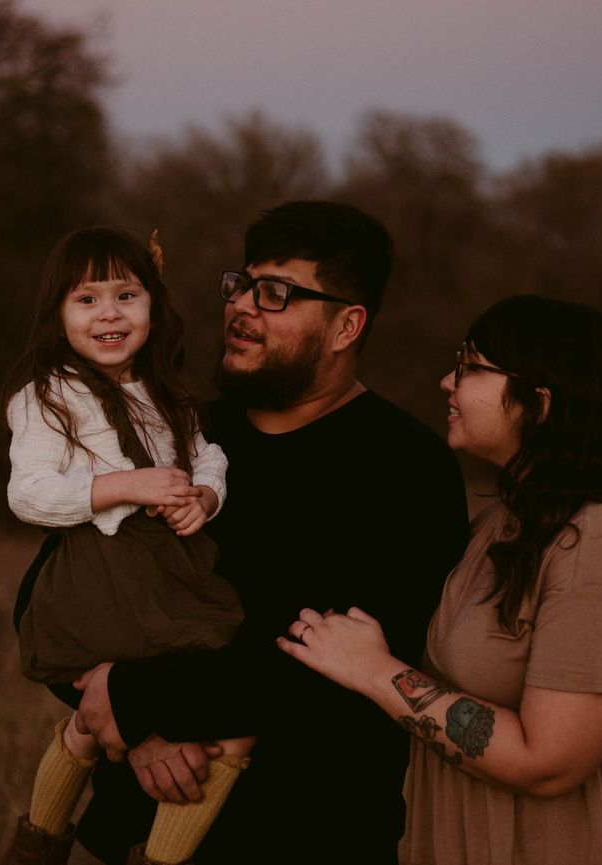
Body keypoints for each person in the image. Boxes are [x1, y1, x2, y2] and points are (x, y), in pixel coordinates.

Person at [68, 201, 472, 865]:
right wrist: (134, 729)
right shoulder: (178, 432)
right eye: (242, 285)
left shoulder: (407, 467)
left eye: (277, 293)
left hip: (304, 833)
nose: (243, 307)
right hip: (123, 825)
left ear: (347, 324)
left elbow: (336, 671)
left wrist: (141, 699)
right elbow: (53, 598)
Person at [278, 295, 602, 865]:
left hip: (594, 841)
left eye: (472, 367)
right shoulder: (504, 524)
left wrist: (377, 672)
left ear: (538, 403)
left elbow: (549, 762)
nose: (447, 381)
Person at [0, 226, 252, 865]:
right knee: (110, 717)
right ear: (58, 318)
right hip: (102, 577)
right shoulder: (48, 396)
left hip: (172, 574)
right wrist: (122, 485)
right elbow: (28, 495)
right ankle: (37, 843)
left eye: (126, 295)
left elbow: (208, 456)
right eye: (86, 299)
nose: (109, 312)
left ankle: (153, 857)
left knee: (223, 729)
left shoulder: (169, 394)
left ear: (152, 308)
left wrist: (206, 496)